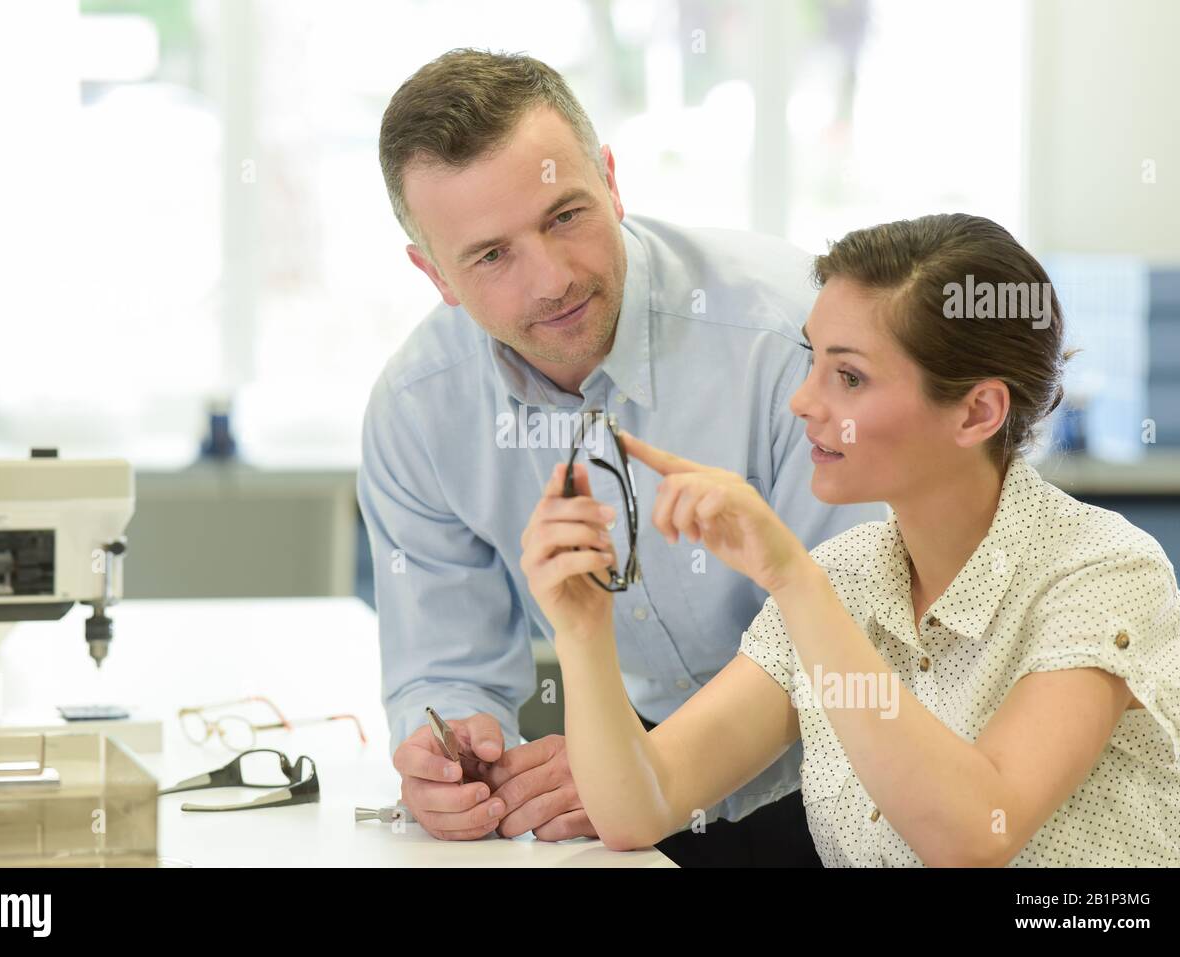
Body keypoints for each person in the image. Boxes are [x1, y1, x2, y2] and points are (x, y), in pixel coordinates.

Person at [520, 213, 1180, 866]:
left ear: (977, 411)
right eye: (812, 360)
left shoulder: (1105, 573)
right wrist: (582, 631)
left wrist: (793, 580)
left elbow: (974, 835)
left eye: (848, 376)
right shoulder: (844, 574)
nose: (804, 402)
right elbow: (644, 802)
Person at [359, 48, 885, 863]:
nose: (552, 281)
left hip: (860, 787)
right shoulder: (418, 409)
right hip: (641, 807)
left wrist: (648, 768)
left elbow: (852, 637)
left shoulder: (791, 339)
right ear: (436, 275)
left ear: (610, 178)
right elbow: (446, 664)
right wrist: (456, 754)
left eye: (565, 215)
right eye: (492, 256)